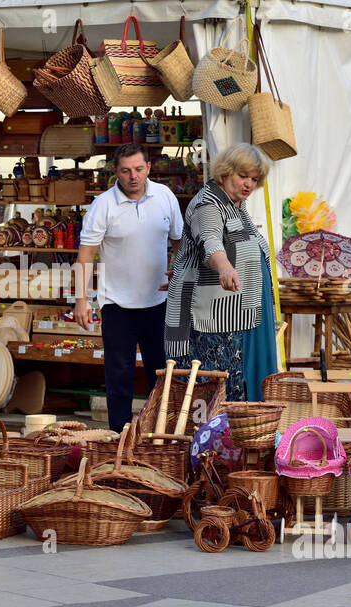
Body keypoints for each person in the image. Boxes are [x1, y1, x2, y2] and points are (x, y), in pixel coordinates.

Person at [75, 143, 183, 432]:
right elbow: (86, 255)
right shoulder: (103, 205)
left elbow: (179, 242)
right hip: (117, 304)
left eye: (138, 169)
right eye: (126, 171)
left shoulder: (165, 197)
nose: (133, 176)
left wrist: (180, 271)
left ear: (148, 168)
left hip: (159, 301)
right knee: (118, 376)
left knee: (160, 374)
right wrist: (81, 300)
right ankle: (117, 437)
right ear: (116, 172)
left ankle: (156, 435)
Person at [164, 143, 275, 401]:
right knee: (218, 389)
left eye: (254, 179)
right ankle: (217, 439)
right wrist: (224, 267)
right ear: (225, 172)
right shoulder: (209, 205)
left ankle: (240, 435)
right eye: (243, 176)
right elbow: (210, 241)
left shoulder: (236, 204)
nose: (248, 184)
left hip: (239, 311)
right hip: (212, 317)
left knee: (238, 384)